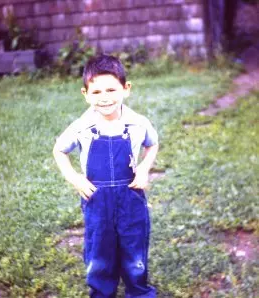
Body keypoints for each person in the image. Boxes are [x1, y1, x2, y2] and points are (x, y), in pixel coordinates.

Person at [53, 54, 158, 298]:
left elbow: (152, 144)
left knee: (134, 247)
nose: (105, 98)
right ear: (85, 94)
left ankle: (139, 290)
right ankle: (101, 291)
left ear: (126, 89)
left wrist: (143, 169)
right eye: (96, 92)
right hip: (97, 199)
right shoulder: (82, 126)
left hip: (130, 196)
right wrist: (75, 178)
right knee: (99, 250)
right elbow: (59, 149)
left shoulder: (138, 123)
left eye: (111, 89)